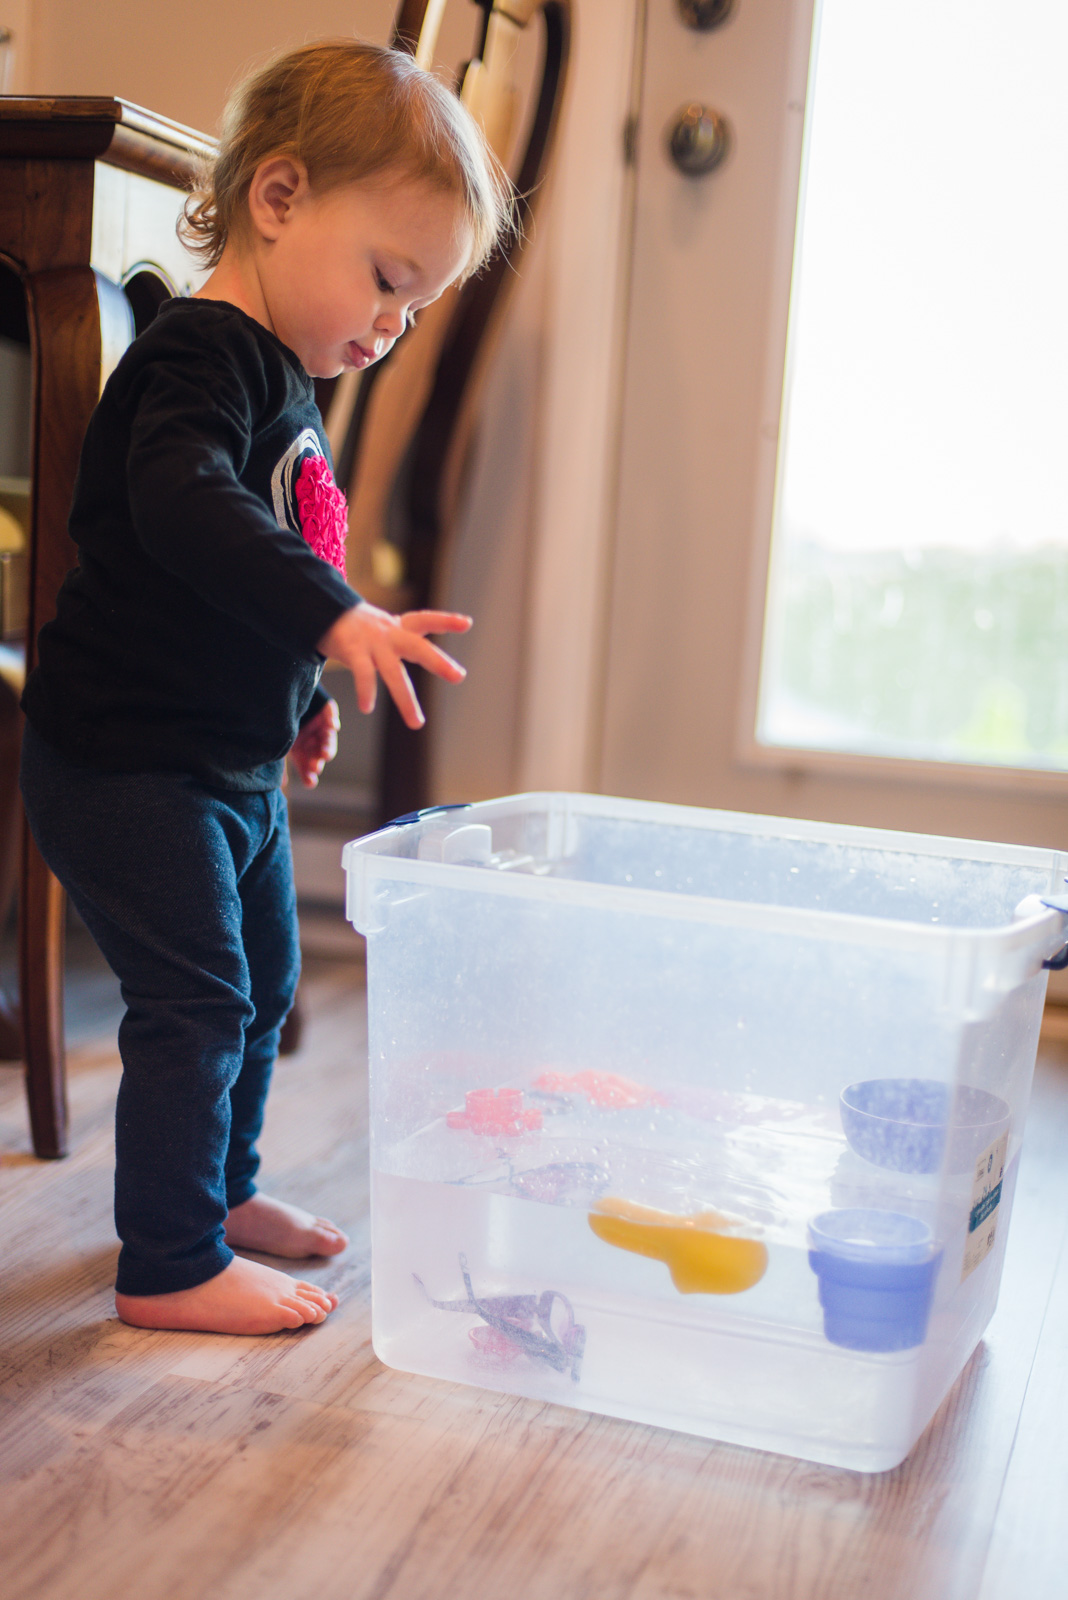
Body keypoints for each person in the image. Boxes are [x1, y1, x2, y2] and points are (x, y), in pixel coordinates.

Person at [18, 39, 513, 1336]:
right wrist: (334, 612)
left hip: (220, 764)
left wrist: (299, 689)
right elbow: (190, 511)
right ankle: (168, 1262)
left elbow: (262, 559)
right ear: (279, 198)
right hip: (126, 764)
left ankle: (219, 1197)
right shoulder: (198, 357)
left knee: (266, 980)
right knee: (199, 998)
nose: (393, 325)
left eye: (416, 306)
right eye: (388, 279)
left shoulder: (284, 378)